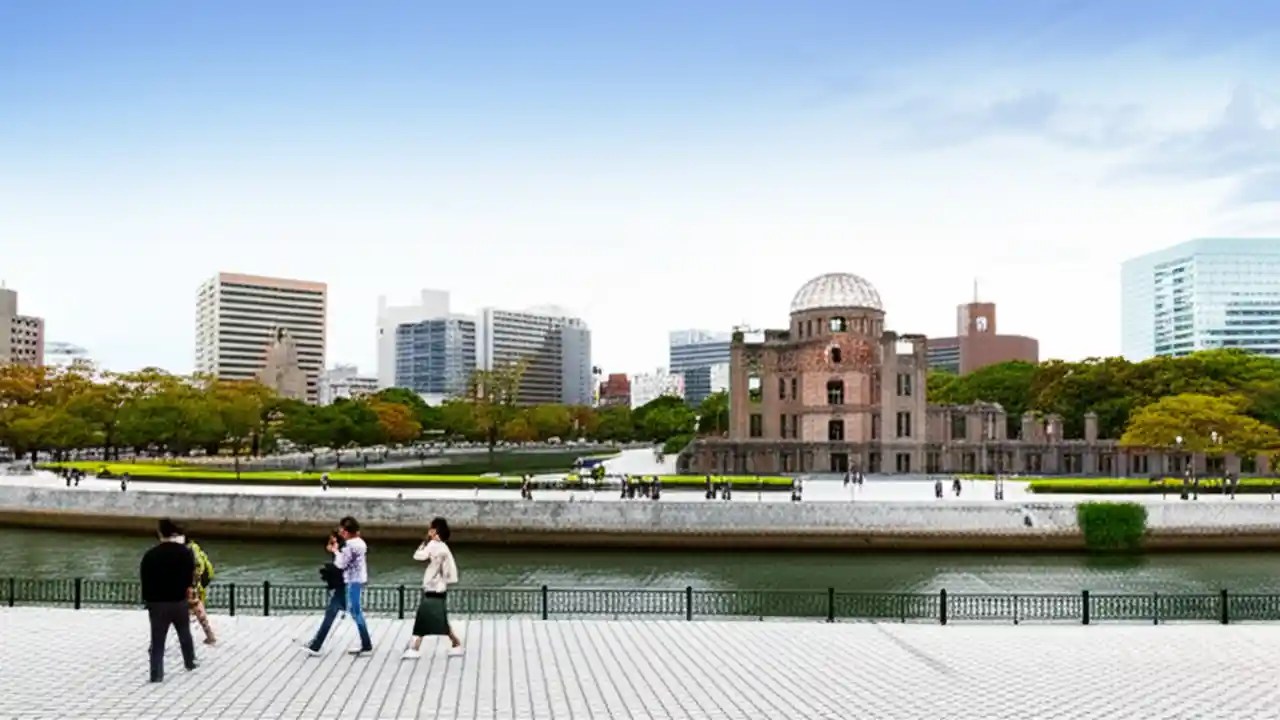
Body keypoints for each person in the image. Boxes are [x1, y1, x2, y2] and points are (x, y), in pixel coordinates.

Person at [140, 518, 198, 683]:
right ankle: (190, 662)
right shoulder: (185, 553)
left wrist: (148, 601)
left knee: (158, 640)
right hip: (179, 601)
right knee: (184, 633)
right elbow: (189, 579)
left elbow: (145, 580)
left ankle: (156, 674)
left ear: (160, 534)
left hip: (157, 604)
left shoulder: (150, 555)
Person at [305, 516, 373, 656]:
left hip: (352, 581)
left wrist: (335, 551)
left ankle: (366, 644)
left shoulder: (350, 546)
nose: (340, 532)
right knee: (339, 611)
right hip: (356, 580)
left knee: (355, 613)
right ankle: (316, 644)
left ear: (347, 532)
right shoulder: (359, 543)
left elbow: (340, 564)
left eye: (342, 530)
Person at [402, 517, 463, 659]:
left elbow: (418, 556)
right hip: (440, 587)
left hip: (433, 587)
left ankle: (415, 646)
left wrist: (424, 541)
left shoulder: (434, 545)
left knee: (424, 617)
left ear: (435, 530)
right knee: (438, 619)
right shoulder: (443, 546)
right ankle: (455, 643)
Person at [185, 537, 218, 645]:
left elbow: (198, 567)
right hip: (194, 584)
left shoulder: (190, 550)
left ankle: (209, 635)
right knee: (195, 607)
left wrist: (193, 584)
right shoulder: (194, 548)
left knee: (194, 607)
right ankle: (209, 635)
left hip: (190, 584)